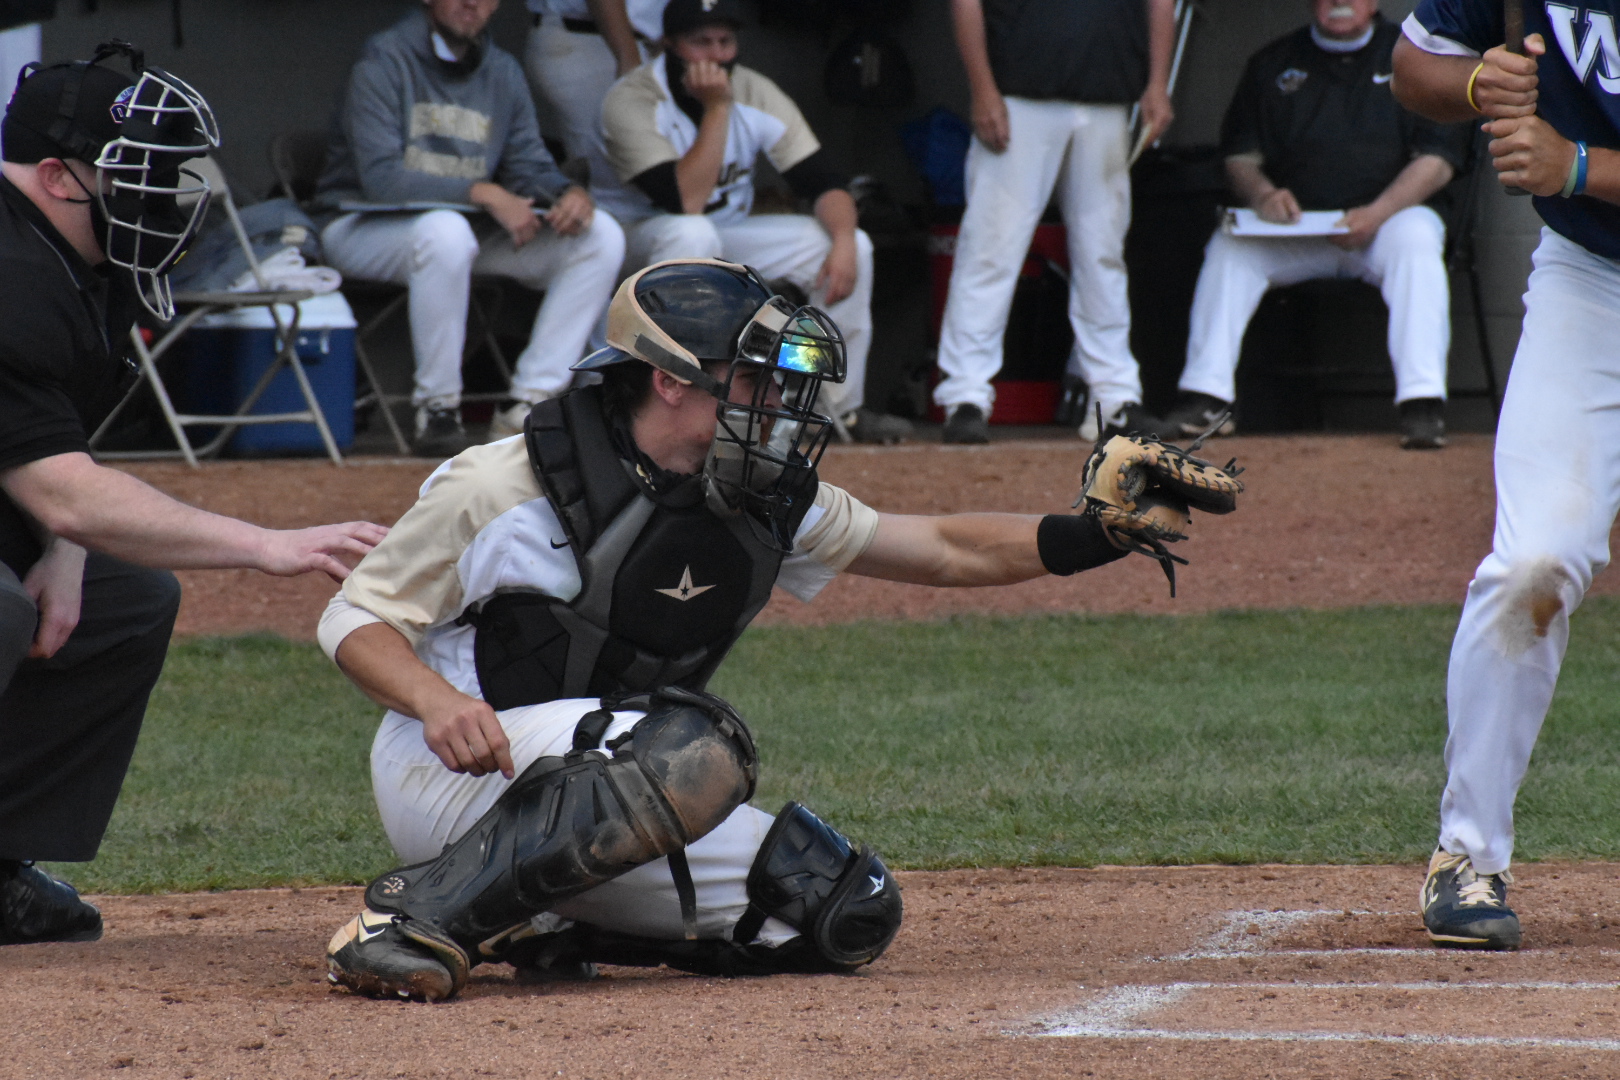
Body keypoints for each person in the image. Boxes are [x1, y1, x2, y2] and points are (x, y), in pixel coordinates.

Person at [319, 258, 1238, 1001]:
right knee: (694, 748)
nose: (778, 404)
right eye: (755, 380)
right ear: (668, 380)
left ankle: (538, 920)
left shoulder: (761, 495)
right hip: (450, 775)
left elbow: (943, 549)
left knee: (835, 907)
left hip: (613, 777)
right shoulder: (502, 486)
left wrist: (1091, 535)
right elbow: (354, 616)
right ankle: (408, 919)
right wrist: (435, 701)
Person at [0, 44, 386, 947]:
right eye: (138, 173)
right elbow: (64, 489)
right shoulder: (9, 274)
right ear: (57, 176)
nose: (163, 198)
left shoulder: (75, 256)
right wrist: (267, 544)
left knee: (127, 602)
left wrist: (65, 548)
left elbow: (50, 436)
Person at [1394, 0, 1620, 949]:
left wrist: (1580, 165)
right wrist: (1481, 82)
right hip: (1594, 279)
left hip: (1587, 199)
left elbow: (1573, 163)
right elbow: (1413, 67)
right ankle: (1468, 855)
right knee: (1535, 563)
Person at [315, 0, 626, 459]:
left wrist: (568, 193)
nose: (471, 2)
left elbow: (528, 164)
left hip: (461, 230)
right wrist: (484, 193)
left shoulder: (501, 70)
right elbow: (381, 180)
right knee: (446, 232)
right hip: (360, 225)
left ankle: (530, 405)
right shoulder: (383, 59)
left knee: (600, 235)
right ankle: (437, 410)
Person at [595, 0, 913, 445]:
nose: (716, 54)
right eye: (701, 42)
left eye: (725, 41)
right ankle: (687, 402)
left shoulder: (755, 89)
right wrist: (717, 109)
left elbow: (823, 181)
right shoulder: (633, 98)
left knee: (851, 242)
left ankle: (834, 407)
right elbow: (686, 200)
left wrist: (843, 239)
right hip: (637, 239)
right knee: (693, 232)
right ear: (668, 44)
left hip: (724, 233)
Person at [1163, 0, 1469, 451]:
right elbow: (1239, 157)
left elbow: (1438, 162)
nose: (1338, 1)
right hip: (1297, 228)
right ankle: (1205, 397)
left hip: (1385, 224)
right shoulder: (1273, 61)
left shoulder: (1411, 59)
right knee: (1231, 248)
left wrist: (1376, 213)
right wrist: (1263, 195)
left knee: (1418, 238)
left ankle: (1422, 405)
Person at [932, 0, 1177, 445]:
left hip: (1106, 96)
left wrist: (1158, 84)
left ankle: (1115, 397)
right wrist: (983, 88)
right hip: (1018, 95)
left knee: (1102, 254)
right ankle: (965, 395)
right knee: (991, 249)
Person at [522, 0, 665, 174]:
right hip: (590, 39)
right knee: (609, 171)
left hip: (642, 44)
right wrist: (630, 63)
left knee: (642, 165)